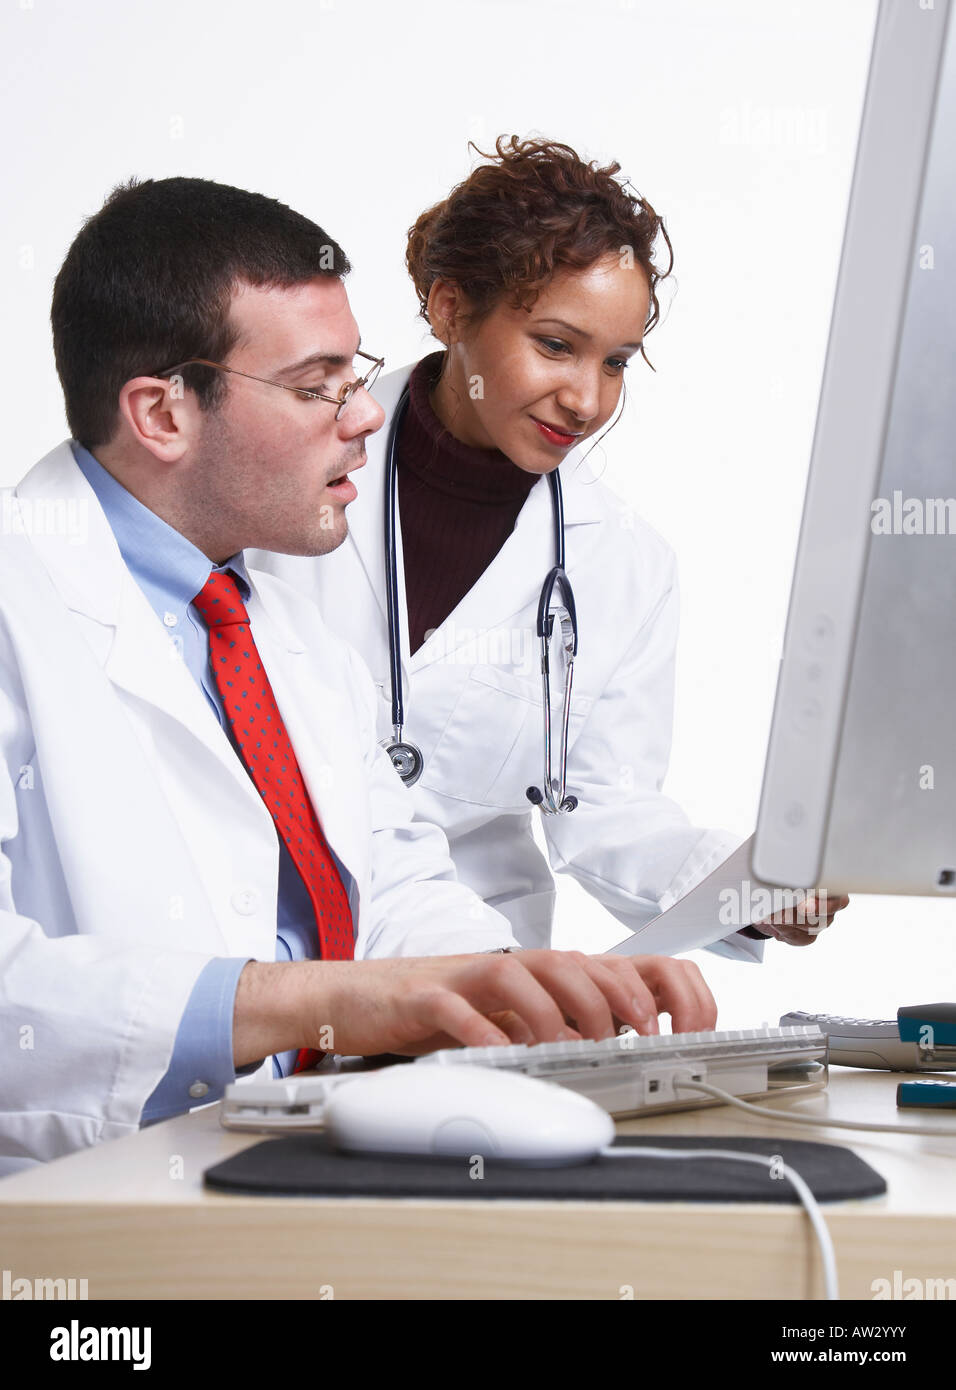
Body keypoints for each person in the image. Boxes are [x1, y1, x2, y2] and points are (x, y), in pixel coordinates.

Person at [0, 175, 716, 1174]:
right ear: (162, 414)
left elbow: (391, 875)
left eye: (355, 375)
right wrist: (330, 999)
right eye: (316, 385)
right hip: (75, 1211)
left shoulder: (269, 613)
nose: (364, 419)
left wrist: (519, 987)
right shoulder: (21, 601)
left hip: (286, 1157)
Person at [249, 136, 849, 956]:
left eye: (617, 362)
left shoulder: (626, 566)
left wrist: (753, 885)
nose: (588, 399)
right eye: (556, 346)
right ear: (449, 307)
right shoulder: (275, 473)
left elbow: (603, 813)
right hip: (266, 949)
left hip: (478, 972)